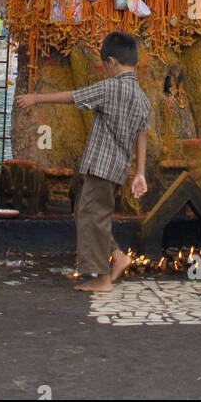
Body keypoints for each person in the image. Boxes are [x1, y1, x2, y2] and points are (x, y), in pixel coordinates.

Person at [16, 30, 149, 292]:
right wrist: (140, 172)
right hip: (118, 167)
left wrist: (36, 99)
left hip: (101, 165)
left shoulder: (110, 87)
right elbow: (142, 134)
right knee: (90, 213)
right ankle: (117, 255)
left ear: (111, 62)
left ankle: (101, 277)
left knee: (91, 216)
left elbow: (73, 96)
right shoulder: (143, 98)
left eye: (105, 65)